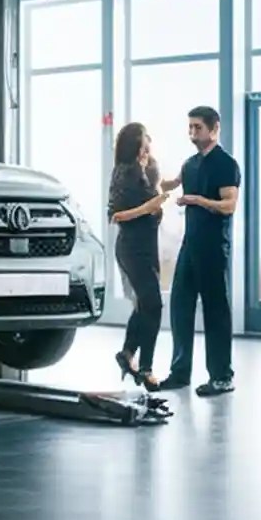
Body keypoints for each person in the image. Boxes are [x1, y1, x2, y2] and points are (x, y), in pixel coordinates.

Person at [159, 106, 241, 397]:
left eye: (197, 127)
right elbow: (169, 183)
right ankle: (180, 373)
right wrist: (148, 172)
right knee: (180, 306)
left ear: (214, 128)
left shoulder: (225, 164)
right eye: (190, 127)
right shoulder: (190, 164)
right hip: (189, 245)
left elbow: (229, 205)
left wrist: (199, 200)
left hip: (213, 247)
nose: (192, 133)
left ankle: (222, 377)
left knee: (216, 311)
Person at [107, 122, 169, 392]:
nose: (149, 144)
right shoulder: (125, 172)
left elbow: (152, 187)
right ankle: (146, 368)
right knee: (153, 305)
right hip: (132, 248)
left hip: (145, 246)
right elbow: (117, 215)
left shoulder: (144, 168)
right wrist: (151, 206)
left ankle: (127, 354)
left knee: (144, 305)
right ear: (136, 143)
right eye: (146, 140)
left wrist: (174, 182)